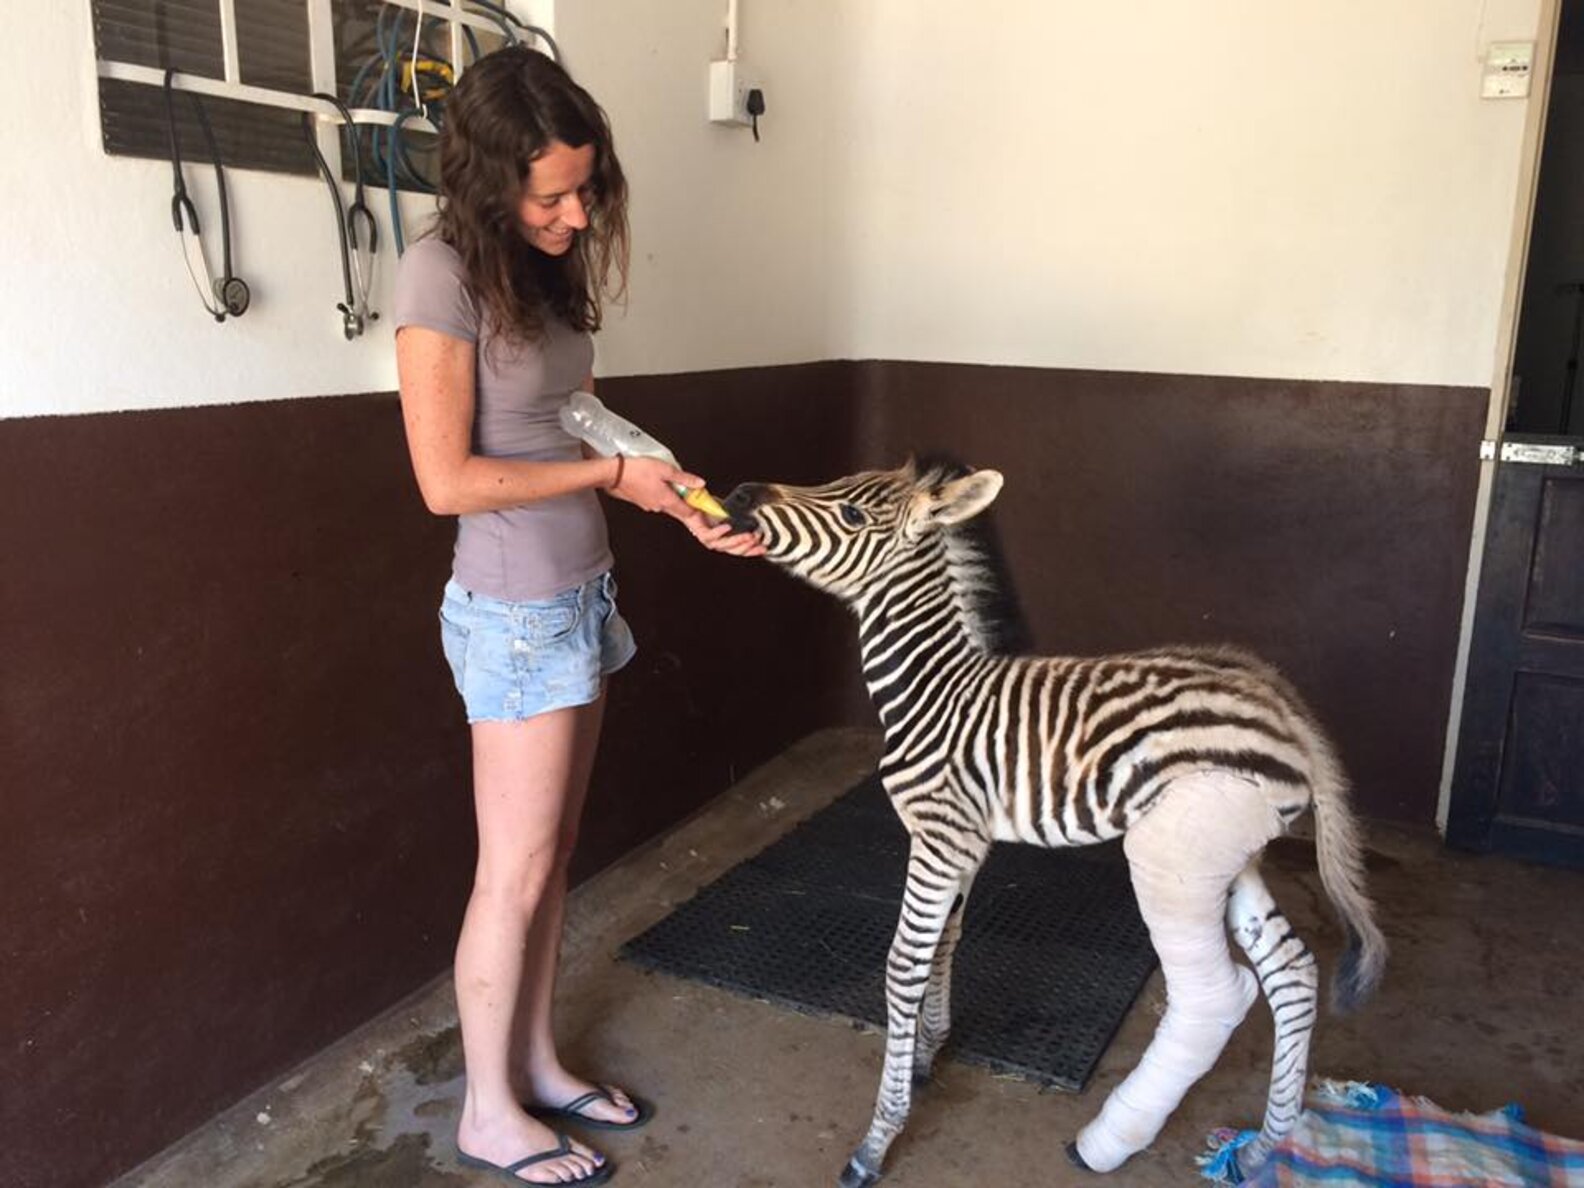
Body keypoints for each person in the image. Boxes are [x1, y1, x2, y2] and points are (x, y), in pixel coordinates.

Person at [393, 46, 761, 1186]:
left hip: (577, 591)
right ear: (489, 178)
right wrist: (607, 482)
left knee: (549, 858)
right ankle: (489, 1112)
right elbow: (445, 481)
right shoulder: (437, 274)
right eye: (550, 193)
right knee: (511, 867)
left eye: (585, 186)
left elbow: (576, 411)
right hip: (512, 611)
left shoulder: (534, 267)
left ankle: (539, 1066)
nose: (575, 210)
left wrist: (676, 490)